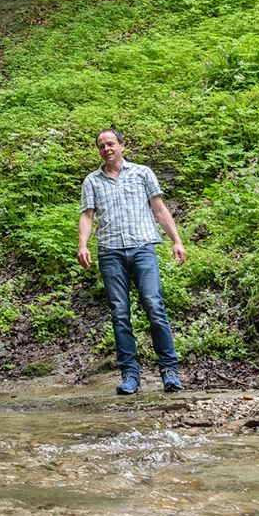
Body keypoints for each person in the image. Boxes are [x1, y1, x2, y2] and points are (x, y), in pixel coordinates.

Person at [77, 128, 188, 395]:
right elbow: (87, 216)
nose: (106, 149)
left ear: (122, 146)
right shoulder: (92, 181)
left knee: (154, 305)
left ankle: (169, 371)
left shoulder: (142, 173)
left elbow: (159, 209)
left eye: (111, 143)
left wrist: (176, 240)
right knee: (120, 313)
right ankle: (130, 375)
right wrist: (82, 245)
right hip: (110, 252)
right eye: (101, 146)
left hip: (143, 248)